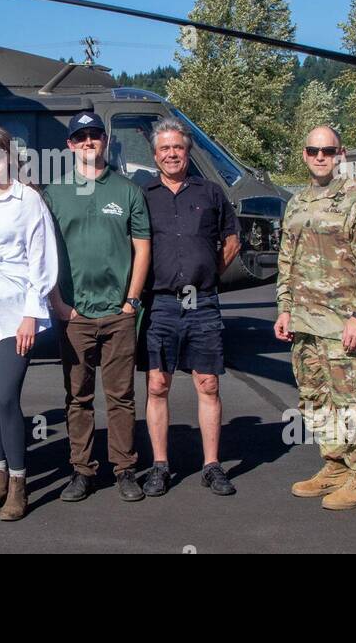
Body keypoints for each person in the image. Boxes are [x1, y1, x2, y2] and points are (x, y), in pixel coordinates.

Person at [274, 125, 356, 511]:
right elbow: (286, 259)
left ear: (340, 154)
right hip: (305, 322)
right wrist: (285, 307)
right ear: (304, 154)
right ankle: (335, 463)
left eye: (328, 150)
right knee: (315, 399)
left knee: (352, 403)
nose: (320, 156)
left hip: (343, 324)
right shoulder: (297, 202)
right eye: (313, 150)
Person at [43, 112, 151, 503]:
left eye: (94, 135)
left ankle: (124, 469)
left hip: (118, 314)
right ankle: (82, 470)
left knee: (121, 396)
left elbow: (142, 248)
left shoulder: (127, 191)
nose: (88, 142)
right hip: (75, 315)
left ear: (105, 141)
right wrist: (57, 301)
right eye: (80, 136)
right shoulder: (54, 194)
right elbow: (44, 252)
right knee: (77, 397)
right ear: (70, 144)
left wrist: (131, 301)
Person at [0, 126, 58, 521]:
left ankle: (19, 483)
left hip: (16, 309)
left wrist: (31, 314)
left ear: (10, 157)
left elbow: (42, 259)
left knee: (5, 397)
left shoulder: (28, 199)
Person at [141, 117, 241, 497]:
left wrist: (207, 273)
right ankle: (160, 466)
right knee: (157, 384)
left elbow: (231, 241)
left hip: (202, 301)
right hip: (161, 303)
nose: (171, 154)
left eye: (178, 148)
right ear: (155, 155)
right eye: (164, 148)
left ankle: (212, 465)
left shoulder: (211, 193)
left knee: (208, 383)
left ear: (188, 152)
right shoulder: (144, 195)